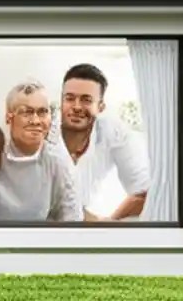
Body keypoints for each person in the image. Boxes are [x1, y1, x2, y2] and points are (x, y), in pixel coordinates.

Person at [0, 79, 83, 222]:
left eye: (42, 112)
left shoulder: (57, 162)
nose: (36, 121)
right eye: (26, 112)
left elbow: (71, 216)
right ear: (9, 118)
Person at [58, 63, 151, 221]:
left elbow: (145, 192)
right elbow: (52, 208)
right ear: (61, 102)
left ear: (101, 107)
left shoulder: (112, 131)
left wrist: (110, 224)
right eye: (70, 98)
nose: (77, 107)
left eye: (86, 100)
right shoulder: (44, 132)